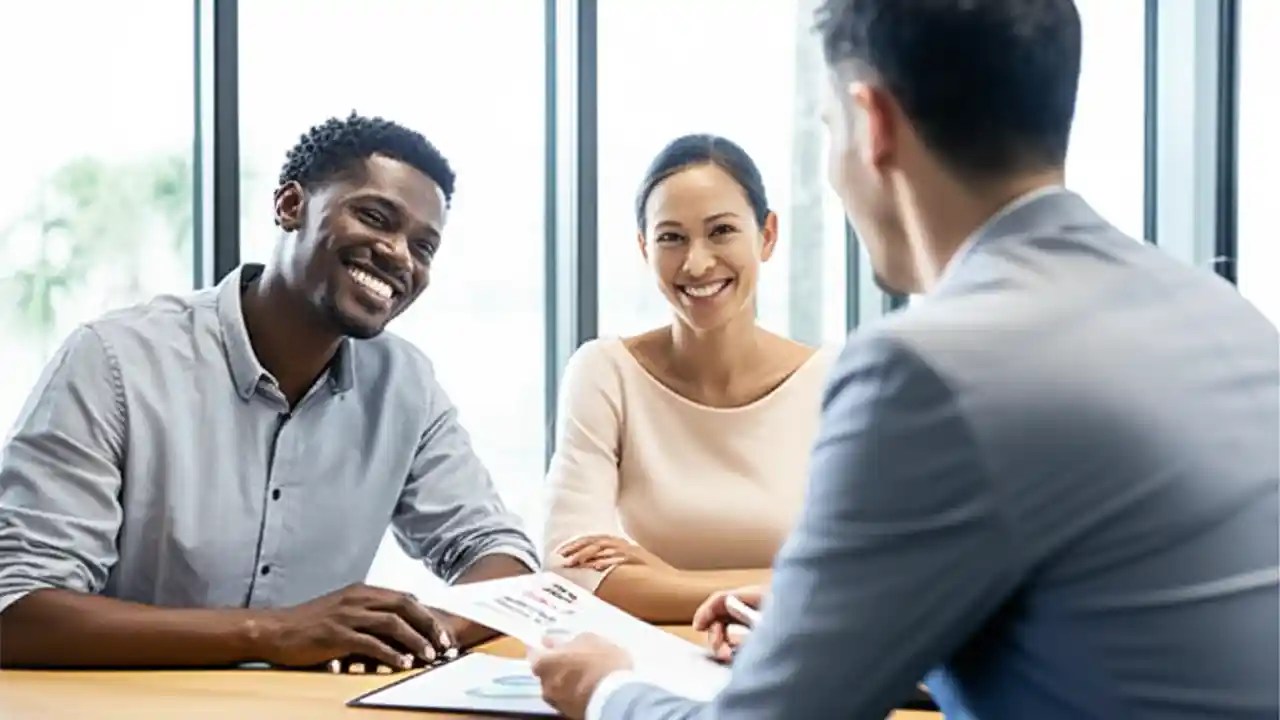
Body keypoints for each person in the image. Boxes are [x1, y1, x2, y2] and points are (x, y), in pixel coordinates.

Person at [529, 0, 1280, 718]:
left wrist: (604, 689)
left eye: (829, 126)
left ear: (872, 122)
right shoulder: (1223, 316)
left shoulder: (930, 367)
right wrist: (835, 617)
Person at [0, 113, 539, 672]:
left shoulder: (406, 387)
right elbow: (18, 614)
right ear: (290, 206)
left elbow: (502, 559)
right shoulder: (114, 361)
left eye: (424, 247)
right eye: (376, 217)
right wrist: (270, 633)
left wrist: (412, 635)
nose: (400, 255)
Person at [542, 134, 833, 622]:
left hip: (797, 662)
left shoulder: (834, 382)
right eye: (671, 237)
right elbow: (569, 575)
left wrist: (670, 580)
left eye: (721, 231)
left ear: (767, 236)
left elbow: (862, 576)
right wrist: (781, 587)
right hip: (655, 663)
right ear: (644, 248)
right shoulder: (605, 372)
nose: (696, 263)